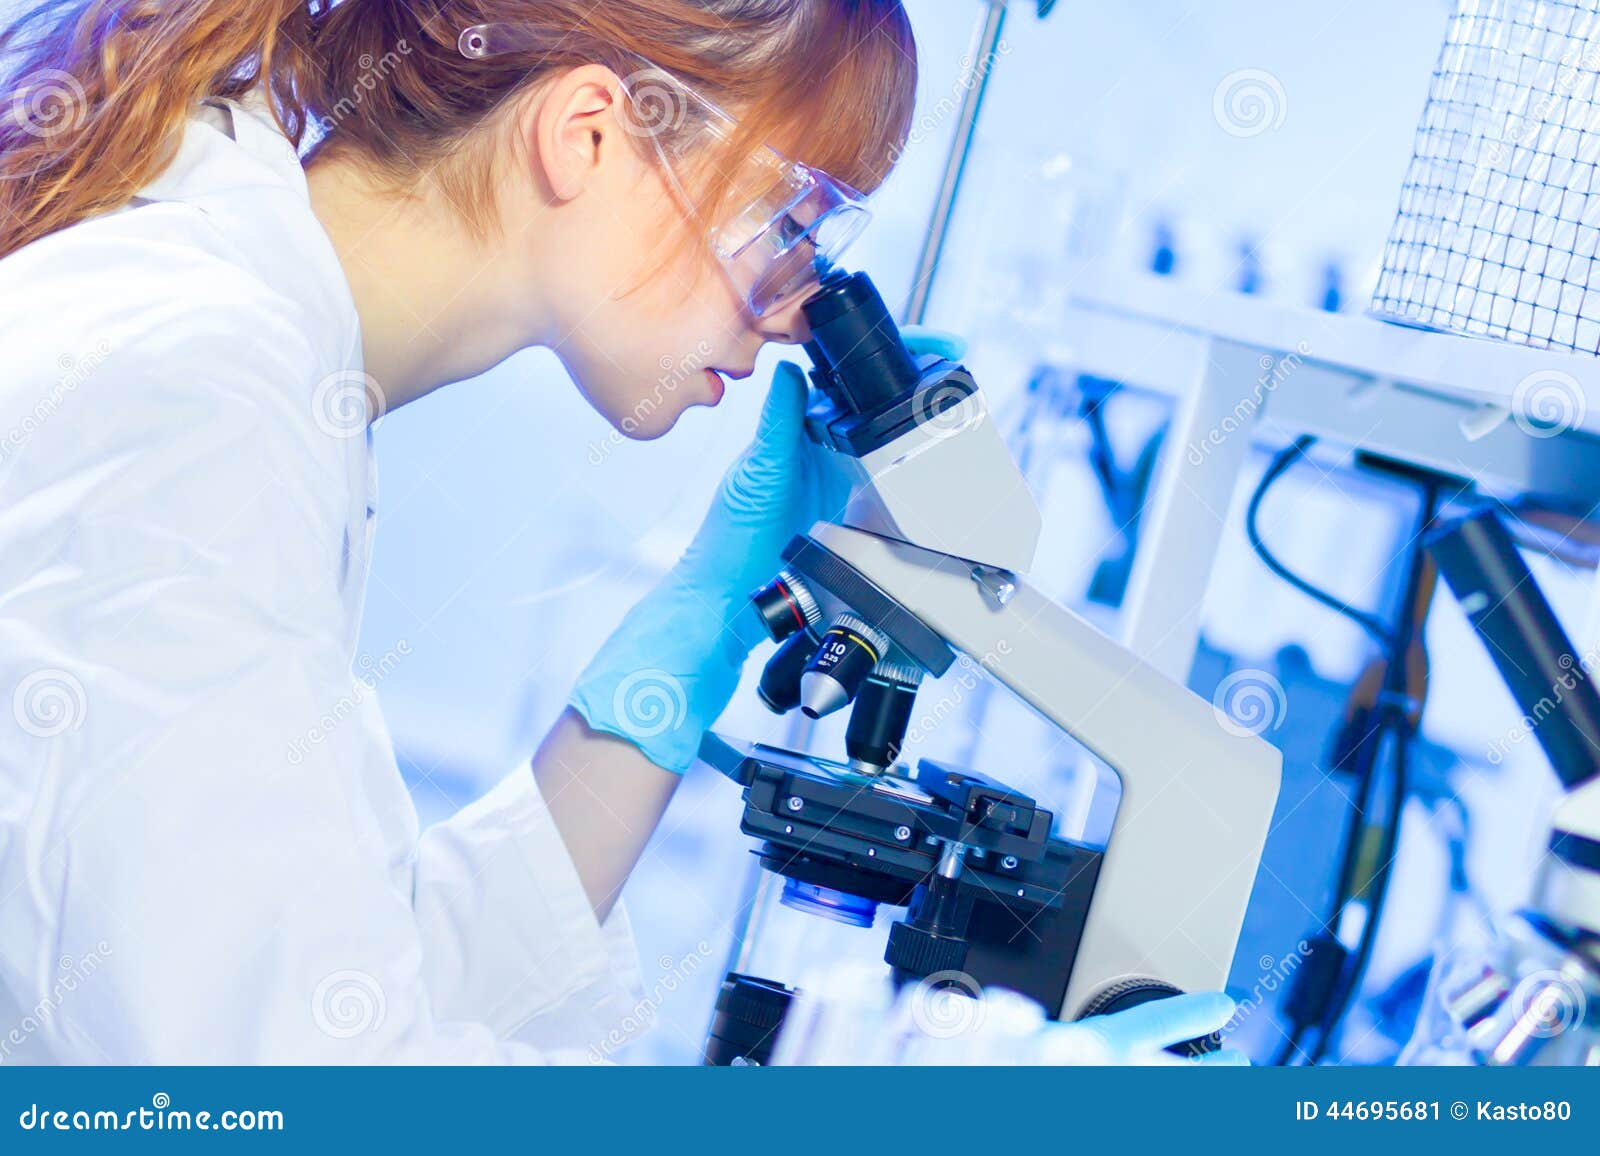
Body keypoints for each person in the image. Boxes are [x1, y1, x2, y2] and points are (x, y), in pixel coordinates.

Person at [0, 0, 1240, 1063]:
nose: (795, 305)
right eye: (790, 219)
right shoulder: (200, 393)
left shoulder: (260, 369)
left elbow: (369, 979)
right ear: (587, 134)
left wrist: (692, 638)